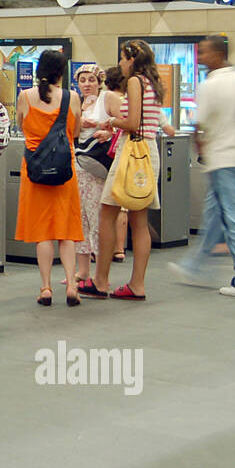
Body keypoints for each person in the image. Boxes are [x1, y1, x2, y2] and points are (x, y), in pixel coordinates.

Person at [168, 36, 235, 298]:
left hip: (221, 159)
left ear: (218, 54)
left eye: (205, 52)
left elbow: (200, 124)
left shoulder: (211, 84)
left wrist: (202, 148)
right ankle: (195, 266)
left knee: (233, 218)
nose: (201, 57)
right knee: (215, 213)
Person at [80, 40, 163, 301]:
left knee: (107, 212)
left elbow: (133, 122)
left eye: (123, 58)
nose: (120, 63)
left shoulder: (136, 82)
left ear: (132, 59)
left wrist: (112, 121)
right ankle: (136, 283)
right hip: (148, 152)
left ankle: (100, 280)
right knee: (139, 220)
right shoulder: (153, 83)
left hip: (132, 153)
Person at [15, 50, 83, 306]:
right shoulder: (72, 97)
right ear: (61, 73)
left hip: (35, 171)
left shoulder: (25, 97)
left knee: (43, 232)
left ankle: (45, 287)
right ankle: (72, 285)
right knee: (66, 231)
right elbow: (75, 132)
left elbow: (21, 126)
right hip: (66, 171)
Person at [71, 63, 111, 288]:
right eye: (83, 80)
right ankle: (82, 269)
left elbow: (121, 126)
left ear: (99, 82)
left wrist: (105, 130)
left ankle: (100, 272)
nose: (87, 84)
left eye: (91, 80)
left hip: (97, 167)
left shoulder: (107, 100)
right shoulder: (76, 102)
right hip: (79, 166)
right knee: (80, 219)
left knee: (97, 218)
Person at [102, 66, 130, 264]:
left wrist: (108, 123)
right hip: (127, 155)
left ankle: (107, 251)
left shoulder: (110, 98)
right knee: (123, 206)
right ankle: (119, 247)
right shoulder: (129, 99)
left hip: (115, 154)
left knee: (110, 204)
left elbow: (126, 122)